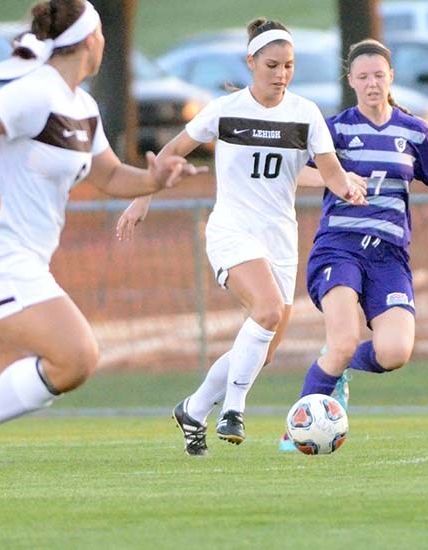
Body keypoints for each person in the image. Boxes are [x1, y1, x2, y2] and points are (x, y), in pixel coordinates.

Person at [0, 0, 203, 530]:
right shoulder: (35, 91)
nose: (105, 41)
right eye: (102, 32)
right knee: (75, 357)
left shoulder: (79, 104)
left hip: (17, 258)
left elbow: (109, 176)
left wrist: (156, 179)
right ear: (90, 40)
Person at [117, 18, 367, 456]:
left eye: (288, 65)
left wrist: (346, 184)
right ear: (251, 62)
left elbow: (328, 171)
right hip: (232, 230)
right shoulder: (224, 109)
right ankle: (234, 409)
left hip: (280, 239)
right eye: (271, 65)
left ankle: (193, 410)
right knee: (268, 309)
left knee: (263, 352)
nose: (281, 74)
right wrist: (143, 195)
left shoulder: (305, 113)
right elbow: (170, 153)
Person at [274, 39, 428, 451]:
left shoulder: (413, 131)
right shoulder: (334, 129)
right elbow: (292, 172)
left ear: (391, 78)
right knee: (342, 338)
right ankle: (295, 433)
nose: (372, 83)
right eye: (363, 76)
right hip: (340, 247)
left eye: (379, 75)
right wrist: (338, 179)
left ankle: (338, 364)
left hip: (389, 255)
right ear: (351, 81)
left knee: (394, 352)